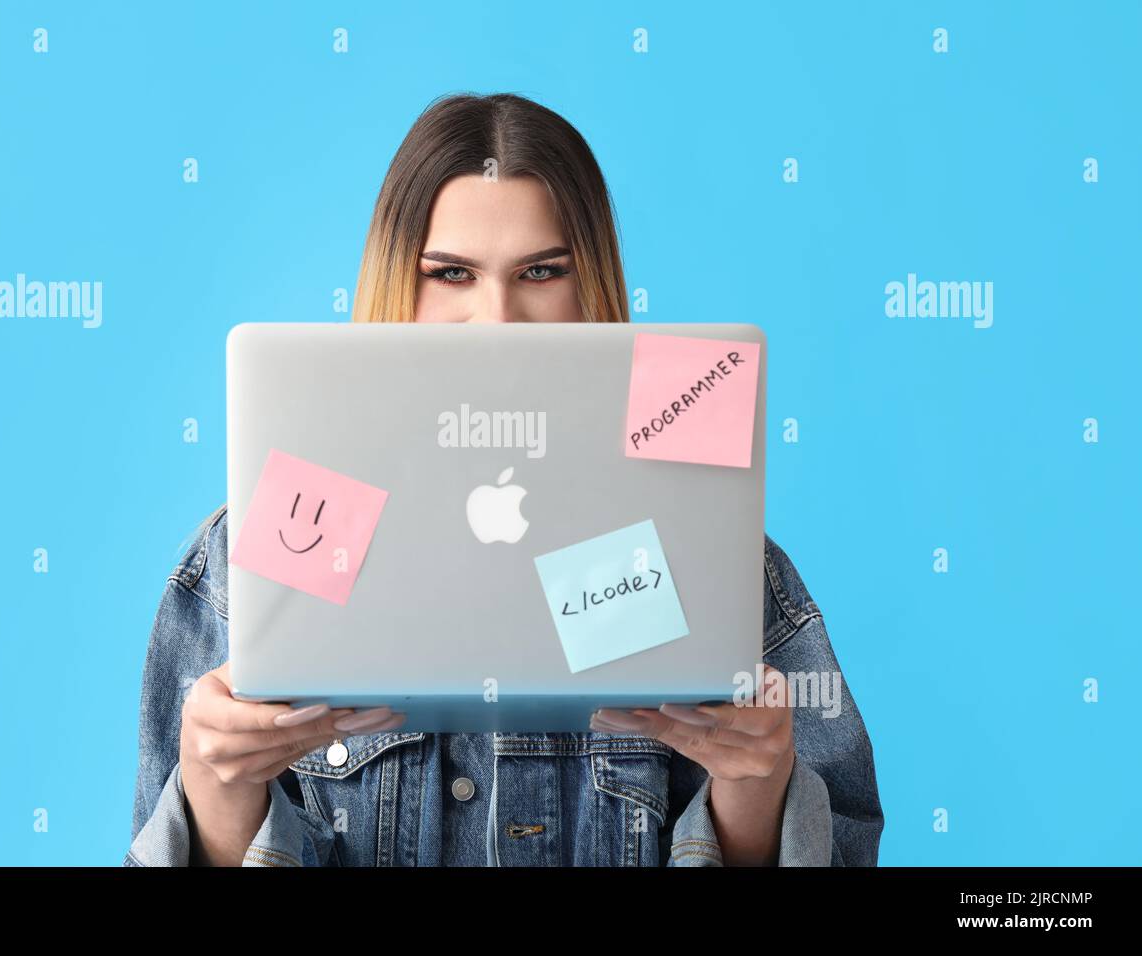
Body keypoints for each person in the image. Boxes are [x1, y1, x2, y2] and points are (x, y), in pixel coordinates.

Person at [126, 92, 883, 867]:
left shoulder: (712, 559)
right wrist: (219, 798)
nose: (498, 320)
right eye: (451, 273)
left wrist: (754, 795)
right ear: (397, 282)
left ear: (591, 287)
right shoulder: (252, 557)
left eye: (541, 271)